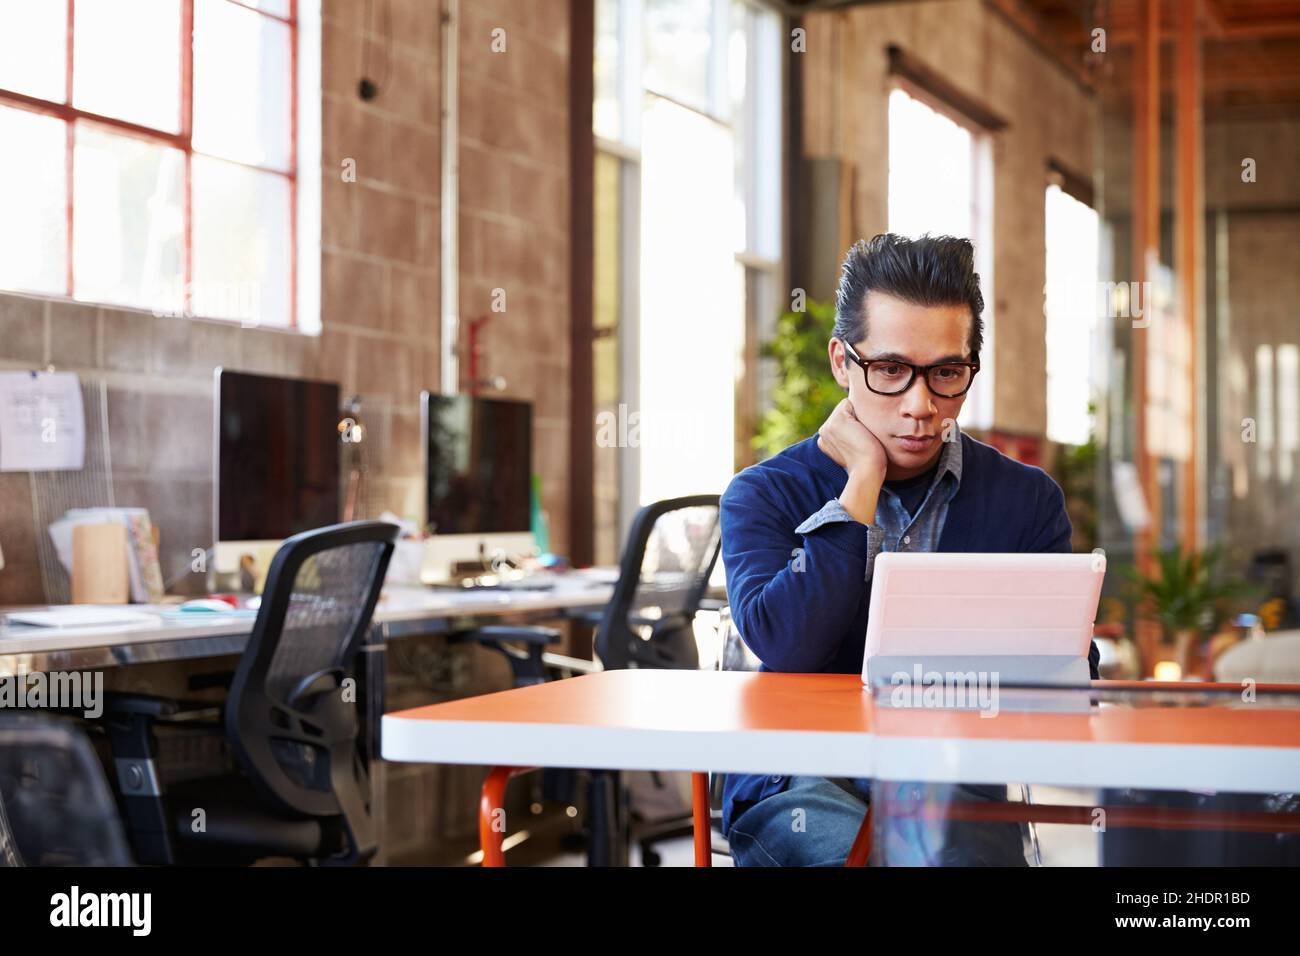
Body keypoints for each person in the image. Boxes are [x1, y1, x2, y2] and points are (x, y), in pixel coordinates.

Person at [719, 233, 1100, 866]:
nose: (921, 407)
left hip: (955, 780)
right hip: (797, 775)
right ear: (843, 363)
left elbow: (1068, 672)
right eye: (890, 371)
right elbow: (789, 644)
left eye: (947, 374)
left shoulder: (1025, 500)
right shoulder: (764, 494)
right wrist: (859, 485)